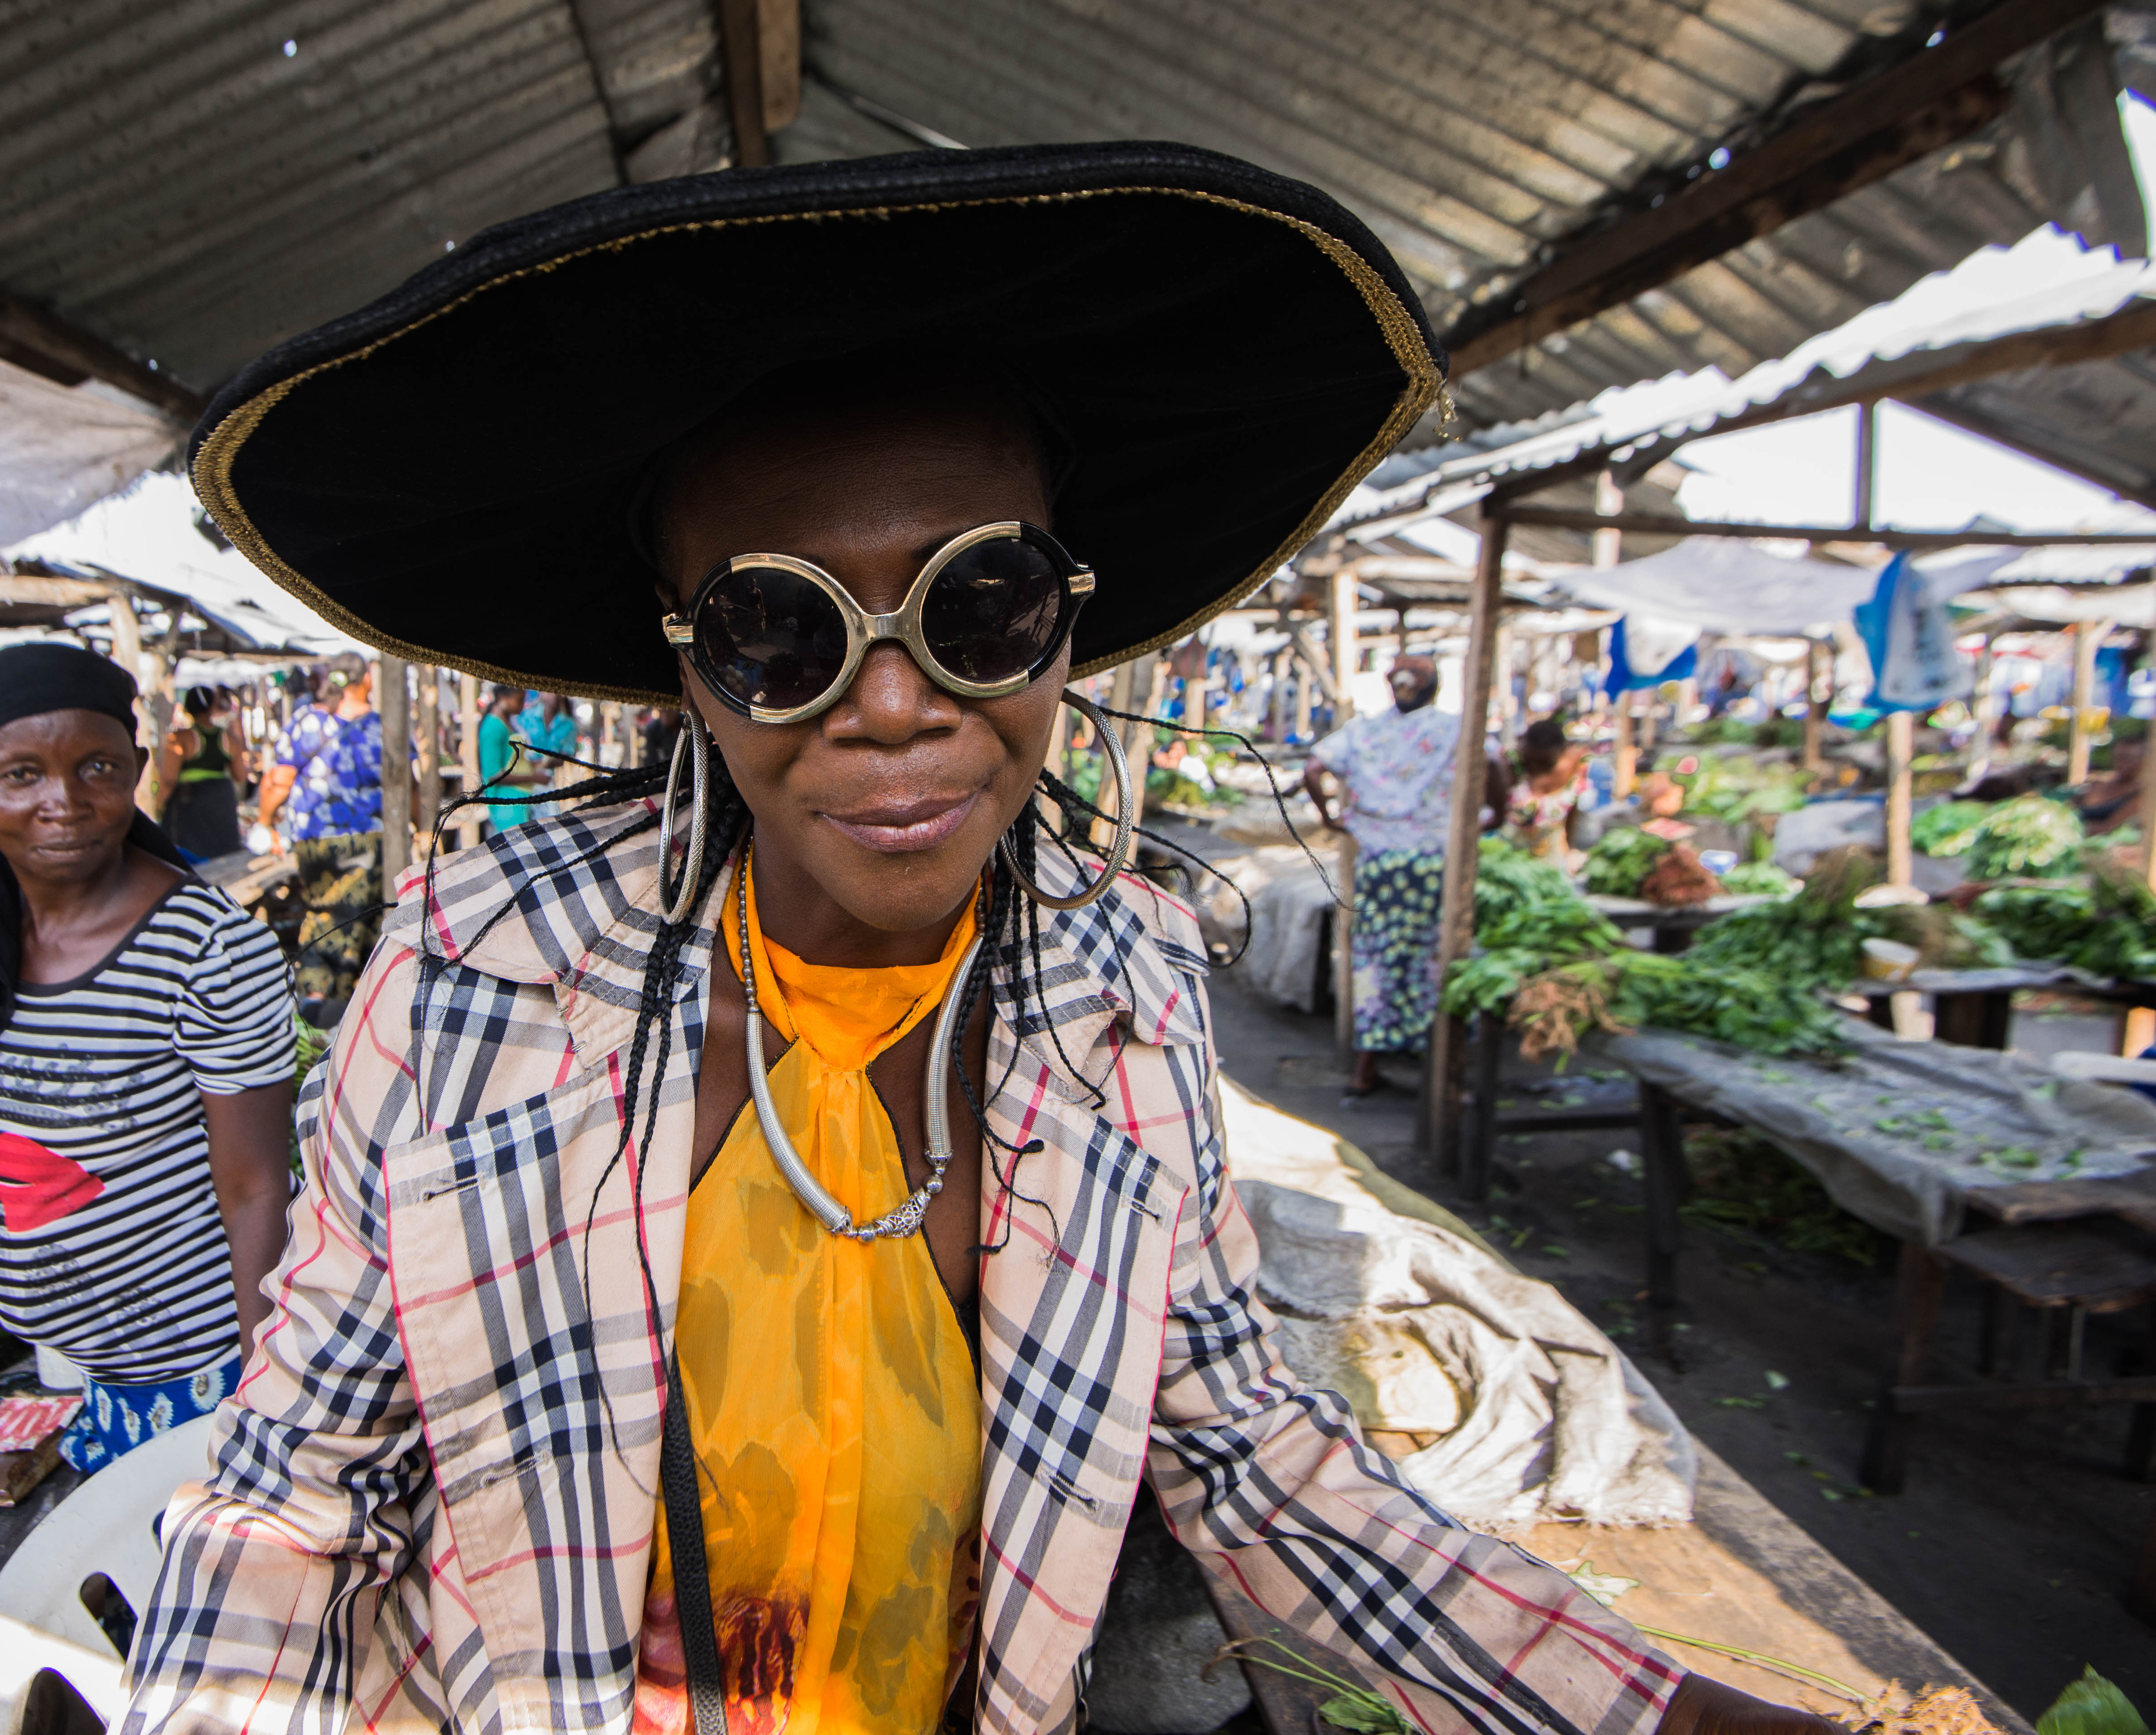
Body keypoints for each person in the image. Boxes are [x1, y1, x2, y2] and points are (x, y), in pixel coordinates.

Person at [122, 148, 1825, 1735]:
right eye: (778, 628)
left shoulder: (1119, 997)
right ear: (685, 663)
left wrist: (1649, 1710)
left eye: (976, 604)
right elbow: (293, 1487)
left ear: (1061, 619)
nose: (891, 709)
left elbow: (1241, 1452)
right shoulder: (472, 979)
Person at [0, 643, 296, 1509]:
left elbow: (258, 1188)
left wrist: (271, 1401)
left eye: (97, 768)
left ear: (141, 771)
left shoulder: (207, 948)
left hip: (204, 1376)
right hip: (85, 1381)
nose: (62, 804)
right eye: (22, 775)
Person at [1304, 654, 1505, 1097]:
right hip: (1438, 863)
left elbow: (1313, 769)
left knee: (1376, 956)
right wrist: (1494, 817)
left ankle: (1366, 1066)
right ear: (1436, 685)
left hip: (1379, 863)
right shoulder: (1458, 728)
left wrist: (1331, 819)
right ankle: (1440, 1063)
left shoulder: (1365, 730)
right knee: (1437, 955)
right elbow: (1495, 768)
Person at [258, 660, 388, 1000]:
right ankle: (350, 1005)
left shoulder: (307, 722)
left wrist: (265, 822)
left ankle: (320, 1004)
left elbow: (279, 781)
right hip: (372, 840)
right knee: (365, 921)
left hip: (316, 841)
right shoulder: (383, 725)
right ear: (367, 679)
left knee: (326, 916)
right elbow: (411, 788)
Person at [157, 685, 249, 860]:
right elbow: (240, 775)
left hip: (191, 804)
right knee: (222, 858)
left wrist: (159, 804)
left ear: (187, 708)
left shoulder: (180, 739)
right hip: (222, 802)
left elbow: (169, 779)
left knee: (190, 858)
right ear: (212, 706)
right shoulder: (229, 739)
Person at [1506, 715, 1590, 866]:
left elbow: (1572, 822)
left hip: (1552, 864)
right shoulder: (1515, 771)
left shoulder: (1572, 773)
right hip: (1514, 862)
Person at [477, 684, 533, 829]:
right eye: (519, 700)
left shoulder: (505, 723)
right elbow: (495, 775)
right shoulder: (493, 727)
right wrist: (534, 778)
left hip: (518, 802)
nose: (522, 705)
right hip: (507, 806)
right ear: (503, 699)